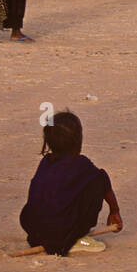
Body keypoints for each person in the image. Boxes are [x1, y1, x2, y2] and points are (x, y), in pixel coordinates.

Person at [20, 110, 121, 256]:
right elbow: (102, 182)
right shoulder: (81, 164)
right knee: (96, 182)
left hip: (33, 228)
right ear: (77, 141)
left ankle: (51, 236)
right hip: (58, 231)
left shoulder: (45, 162)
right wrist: (114, 210)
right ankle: (73, 239)